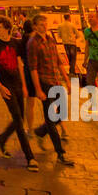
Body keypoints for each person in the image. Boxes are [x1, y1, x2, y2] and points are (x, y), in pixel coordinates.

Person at [0, 17, 38, 171]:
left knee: (19, 118)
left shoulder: (16, 43)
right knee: (18, 119)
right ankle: (30, 157)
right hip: (6, 86)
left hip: (17, 84)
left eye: (0, 27)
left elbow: (20, 64)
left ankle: (2, 138)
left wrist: (24, 85)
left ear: (7, 27)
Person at [26, 15, 72, 164]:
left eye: (45, 24)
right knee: (51, 118)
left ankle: (40, 131)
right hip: (45, 82)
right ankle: (60, 154)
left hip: (56, 80)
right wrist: (38, 90)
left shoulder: (50, 39)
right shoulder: (33, 43)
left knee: (62, 113)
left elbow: (58, 61)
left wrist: (67, 80)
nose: (44, 27)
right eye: (40, 24)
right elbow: (33, 69)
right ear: (34, 26)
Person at [57, 13, 81, 79]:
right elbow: (78, 35)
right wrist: (74, 38)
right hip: (72, 43)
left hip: (65, 43)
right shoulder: (72, 25)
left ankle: (71, 71)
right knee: (73, 58)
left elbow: (59, 36)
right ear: (69, 17)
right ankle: (72, 72)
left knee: (69, 58)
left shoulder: (60, 25)